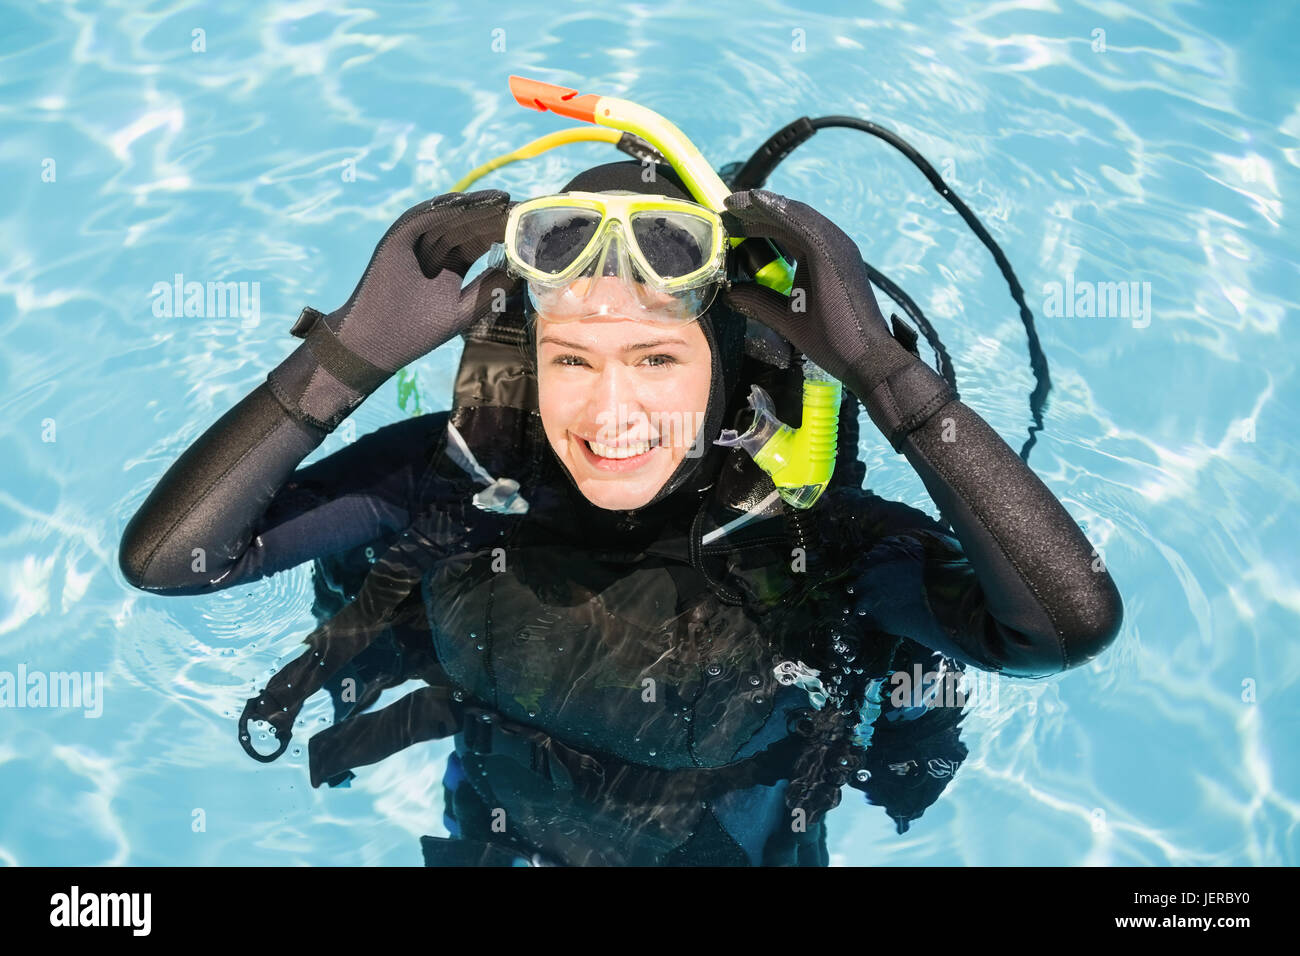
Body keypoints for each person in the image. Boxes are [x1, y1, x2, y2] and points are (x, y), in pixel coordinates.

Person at [119, 160, 1122, 866]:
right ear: (528, 359)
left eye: (656, 358)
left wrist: (880, 370)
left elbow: (1060, 625)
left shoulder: (816, 544)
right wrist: (347, 354)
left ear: (727, 373)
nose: (609, 413)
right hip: (493, 834)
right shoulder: (456, 481)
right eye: (571, 360)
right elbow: (175, 559)